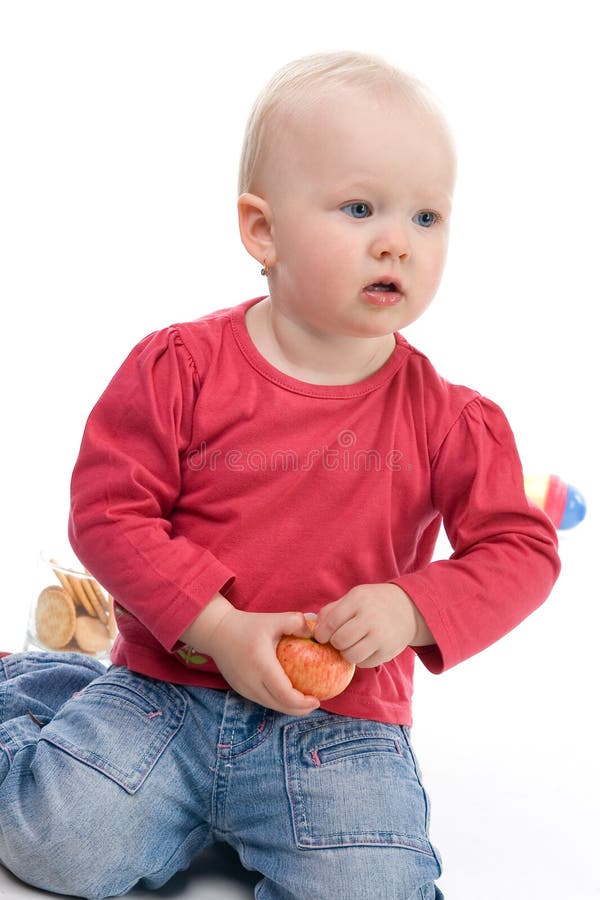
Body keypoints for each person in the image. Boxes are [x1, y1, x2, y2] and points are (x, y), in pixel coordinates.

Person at [0, 51, 560, 899]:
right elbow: (108, 512)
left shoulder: (450, 417)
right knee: (58, 845)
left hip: (339, 729)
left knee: (372, 890)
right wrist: (219, 628)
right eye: (361, 207)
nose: (394, 242)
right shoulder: (178, 368)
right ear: (263, 231)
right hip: (167, 691)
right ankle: (41, 692)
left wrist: (414, 607)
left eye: (426, 217)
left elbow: (522, 547)